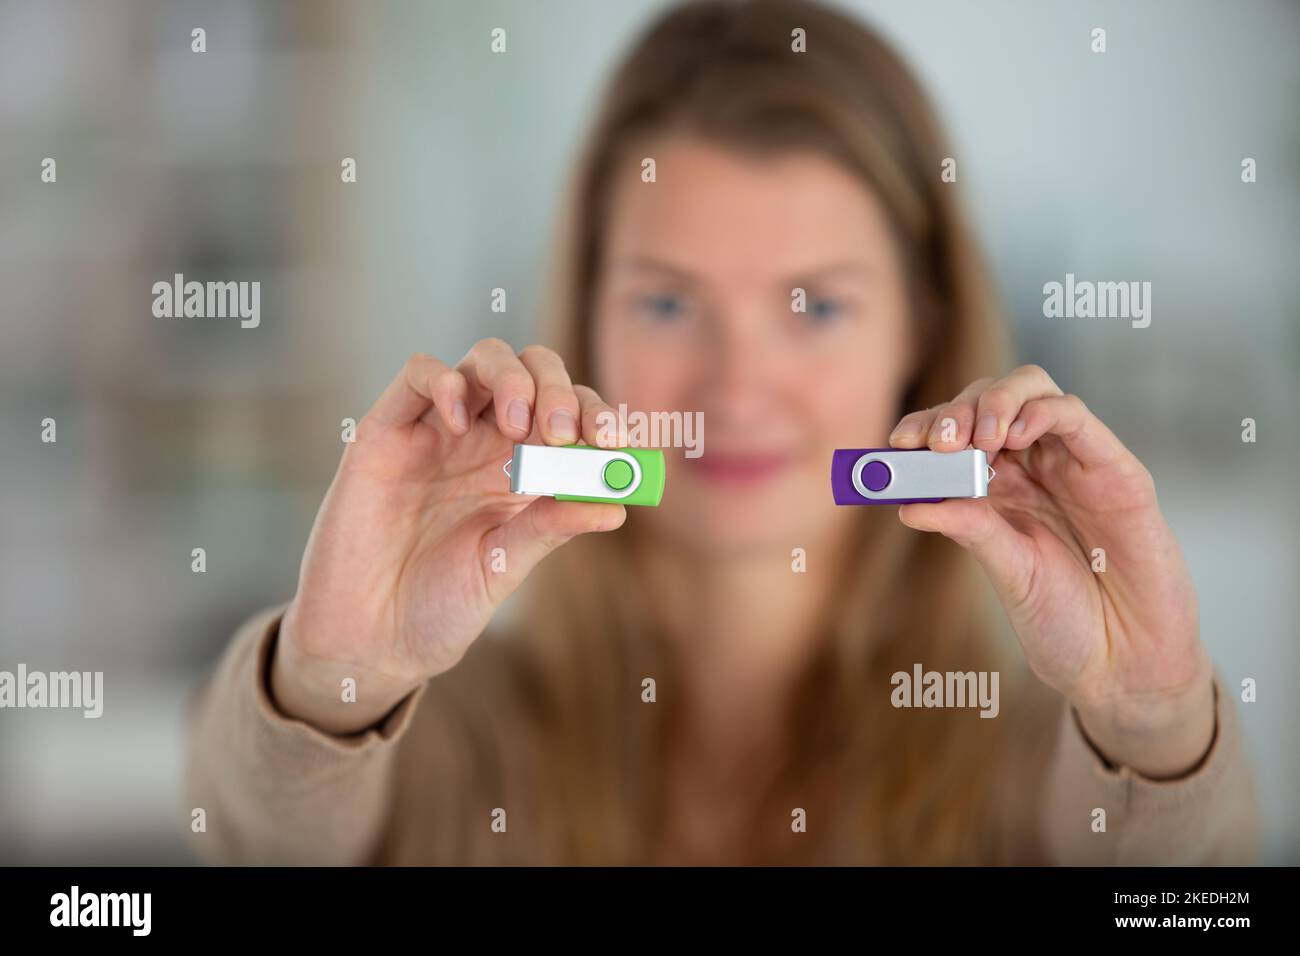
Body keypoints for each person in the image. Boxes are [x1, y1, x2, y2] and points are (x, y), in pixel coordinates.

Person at [183, 0, 1259, 866]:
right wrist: (334, 675)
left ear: (919, 332)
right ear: (587, 312)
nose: (735, 384)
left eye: (815, 305)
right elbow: (257, 840)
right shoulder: (446, 736)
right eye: (666, 301)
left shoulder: (1040, 762)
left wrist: (1151, 719)